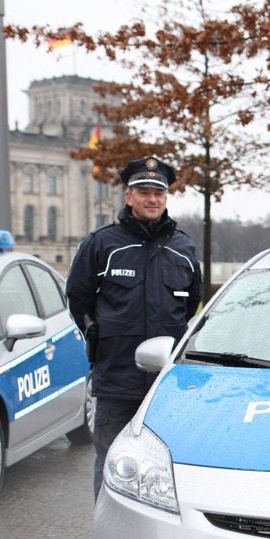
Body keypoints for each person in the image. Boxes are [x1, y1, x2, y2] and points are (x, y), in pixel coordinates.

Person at [66, 156, 202, 497]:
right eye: (144, 192)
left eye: (159, 192)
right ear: (129, 197)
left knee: (169, 466)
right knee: (112, 460)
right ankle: (109, 533)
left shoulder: (183, 248)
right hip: (116, 380)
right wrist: (100, 339)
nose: (152, 199)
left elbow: (191, 304)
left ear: (166, 197)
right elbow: (78, 298)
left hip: (166, 385)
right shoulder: (102, 245)